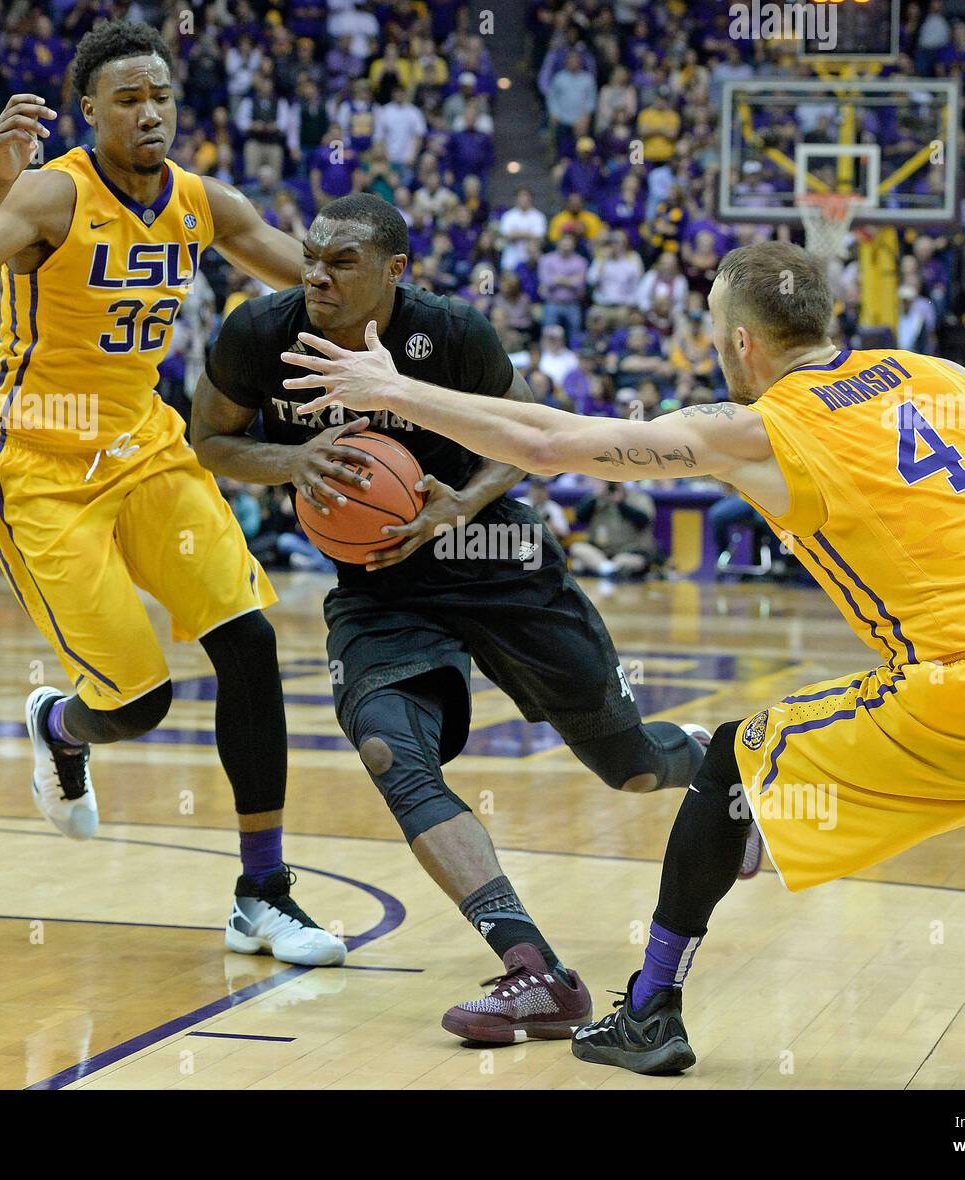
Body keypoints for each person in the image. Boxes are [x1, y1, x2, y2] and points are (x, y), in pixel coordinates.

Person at [283, 239, 965, 1076]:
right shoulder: (939, 375)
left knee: (732, 761)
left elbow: (548, 442)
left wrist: (395, 390)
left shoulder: (760, 428)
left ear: (741, 341)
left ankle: (651, 1013)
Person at [192, 192, 713, 1043]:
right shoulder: (260, 333)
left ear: (396, 272)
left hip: (496, 564)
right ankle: (534, 970)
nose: (315, 271)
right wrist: (291, 459)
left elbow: (527, 439)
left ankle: (718, 761)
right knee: (389, 746)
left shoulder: (452, 333)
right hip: (379, 587)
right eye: (312, 255)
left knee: (633, 770)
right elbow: (208, 441)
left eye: (341, 261)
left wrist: (456, 506)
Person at [0, 20, 345, 968]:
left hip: (146, 446)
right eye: (128, 99)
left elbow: (308, 278)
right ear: (90, 112)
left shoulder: (198, 200)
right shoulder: (50, 196)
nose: (150, 113)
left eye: (162, 96)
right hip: (42, 466)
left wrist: (392, 315)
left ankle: (262, 894)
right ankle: (58, 726)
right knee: (139, 703)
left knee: (250, 641)